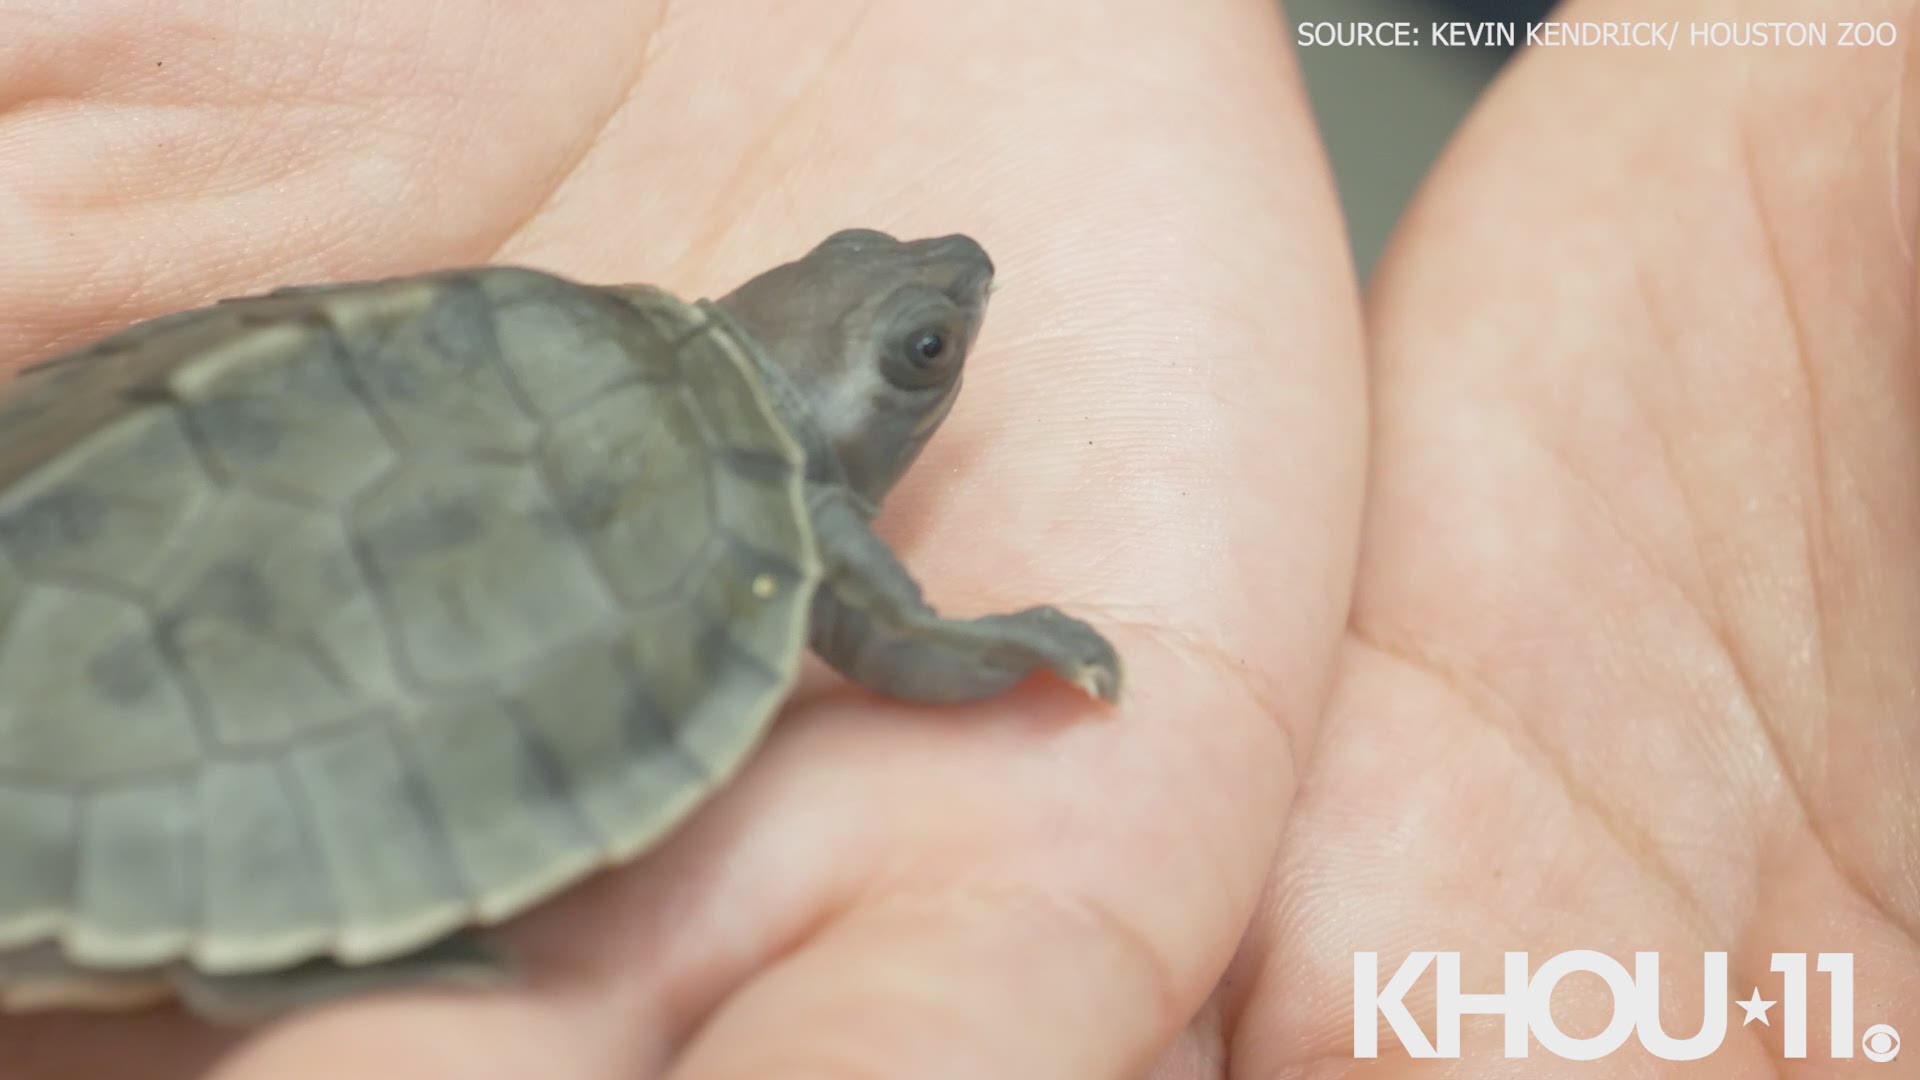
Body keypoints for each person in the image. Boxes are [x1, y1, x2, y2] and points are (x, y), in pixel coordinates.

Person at [2, 1, 1913, 1075]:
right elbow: (887, 638)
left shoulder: (554, 313)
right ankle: (254, 952)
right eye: (921, 348)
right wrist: (989, 643)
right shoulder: (806, 551)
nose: (954, 306)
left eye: (917, 338)